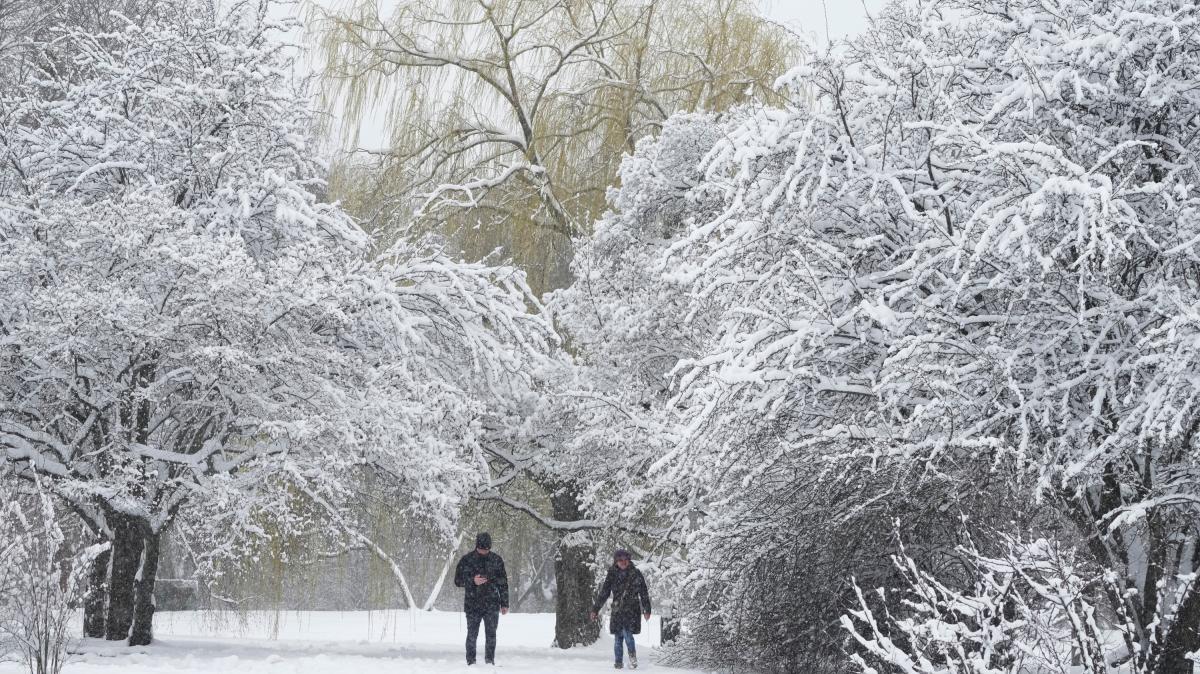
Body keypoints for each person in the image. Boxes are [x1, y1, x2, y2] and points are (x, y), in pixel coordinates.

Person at [590, 549, 652, 670]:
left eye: (625, 559)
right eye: (620, 560)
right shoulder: (612, 574)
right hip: (618, 610)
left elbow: (643, 593)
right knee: (618, 637)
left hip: (632, 610)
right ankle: (618, 662)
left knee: (628, 635)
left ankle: (633, 660)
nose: (623, 562)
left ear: (629, 560)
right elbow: (604, 593)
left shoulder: (636, 573)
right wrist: (595, 609)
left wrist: (647, 609)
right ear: (616, 561)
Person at [454, 532, 509, 665]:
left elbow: (503, 583)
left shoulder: (497, 560)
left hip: (492, 604)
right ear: (476, 546)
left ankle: (490, 661)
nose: (484, 552)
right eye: (482, 549)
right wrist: (472, 581)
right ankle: (471, 661)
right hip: (472, 604)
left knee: (491, 635)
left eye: (487, 550)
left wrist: (504, 603)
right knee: (472, 634)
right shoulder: (466, 560)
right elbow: (457, 581)